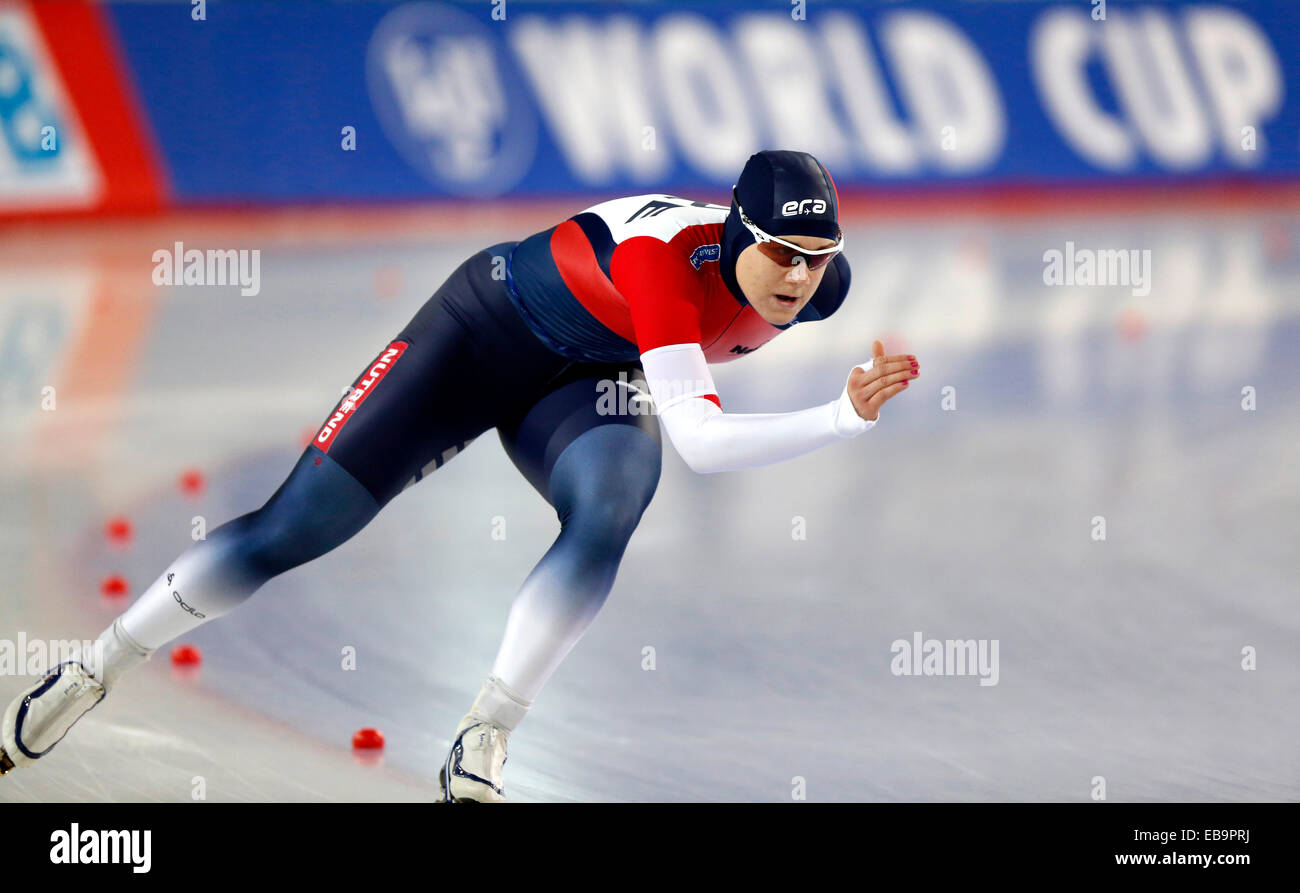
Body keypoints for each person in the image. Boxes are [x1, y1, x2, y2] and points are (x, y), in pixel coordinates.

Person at [0, 150, 920, 801]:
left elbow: (700, 418)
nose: (799, 280)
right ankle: (92, 669)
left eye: (819, 260)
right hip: (479, 334)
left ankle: (487, 733)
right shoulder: (666, 268)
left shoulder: (815, 286)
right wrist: (842, 418)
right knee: (290, 530)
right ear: (734, 233)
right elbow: (706, 443)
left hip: (590, 376)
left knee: (606, 514)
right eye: (783, 256)